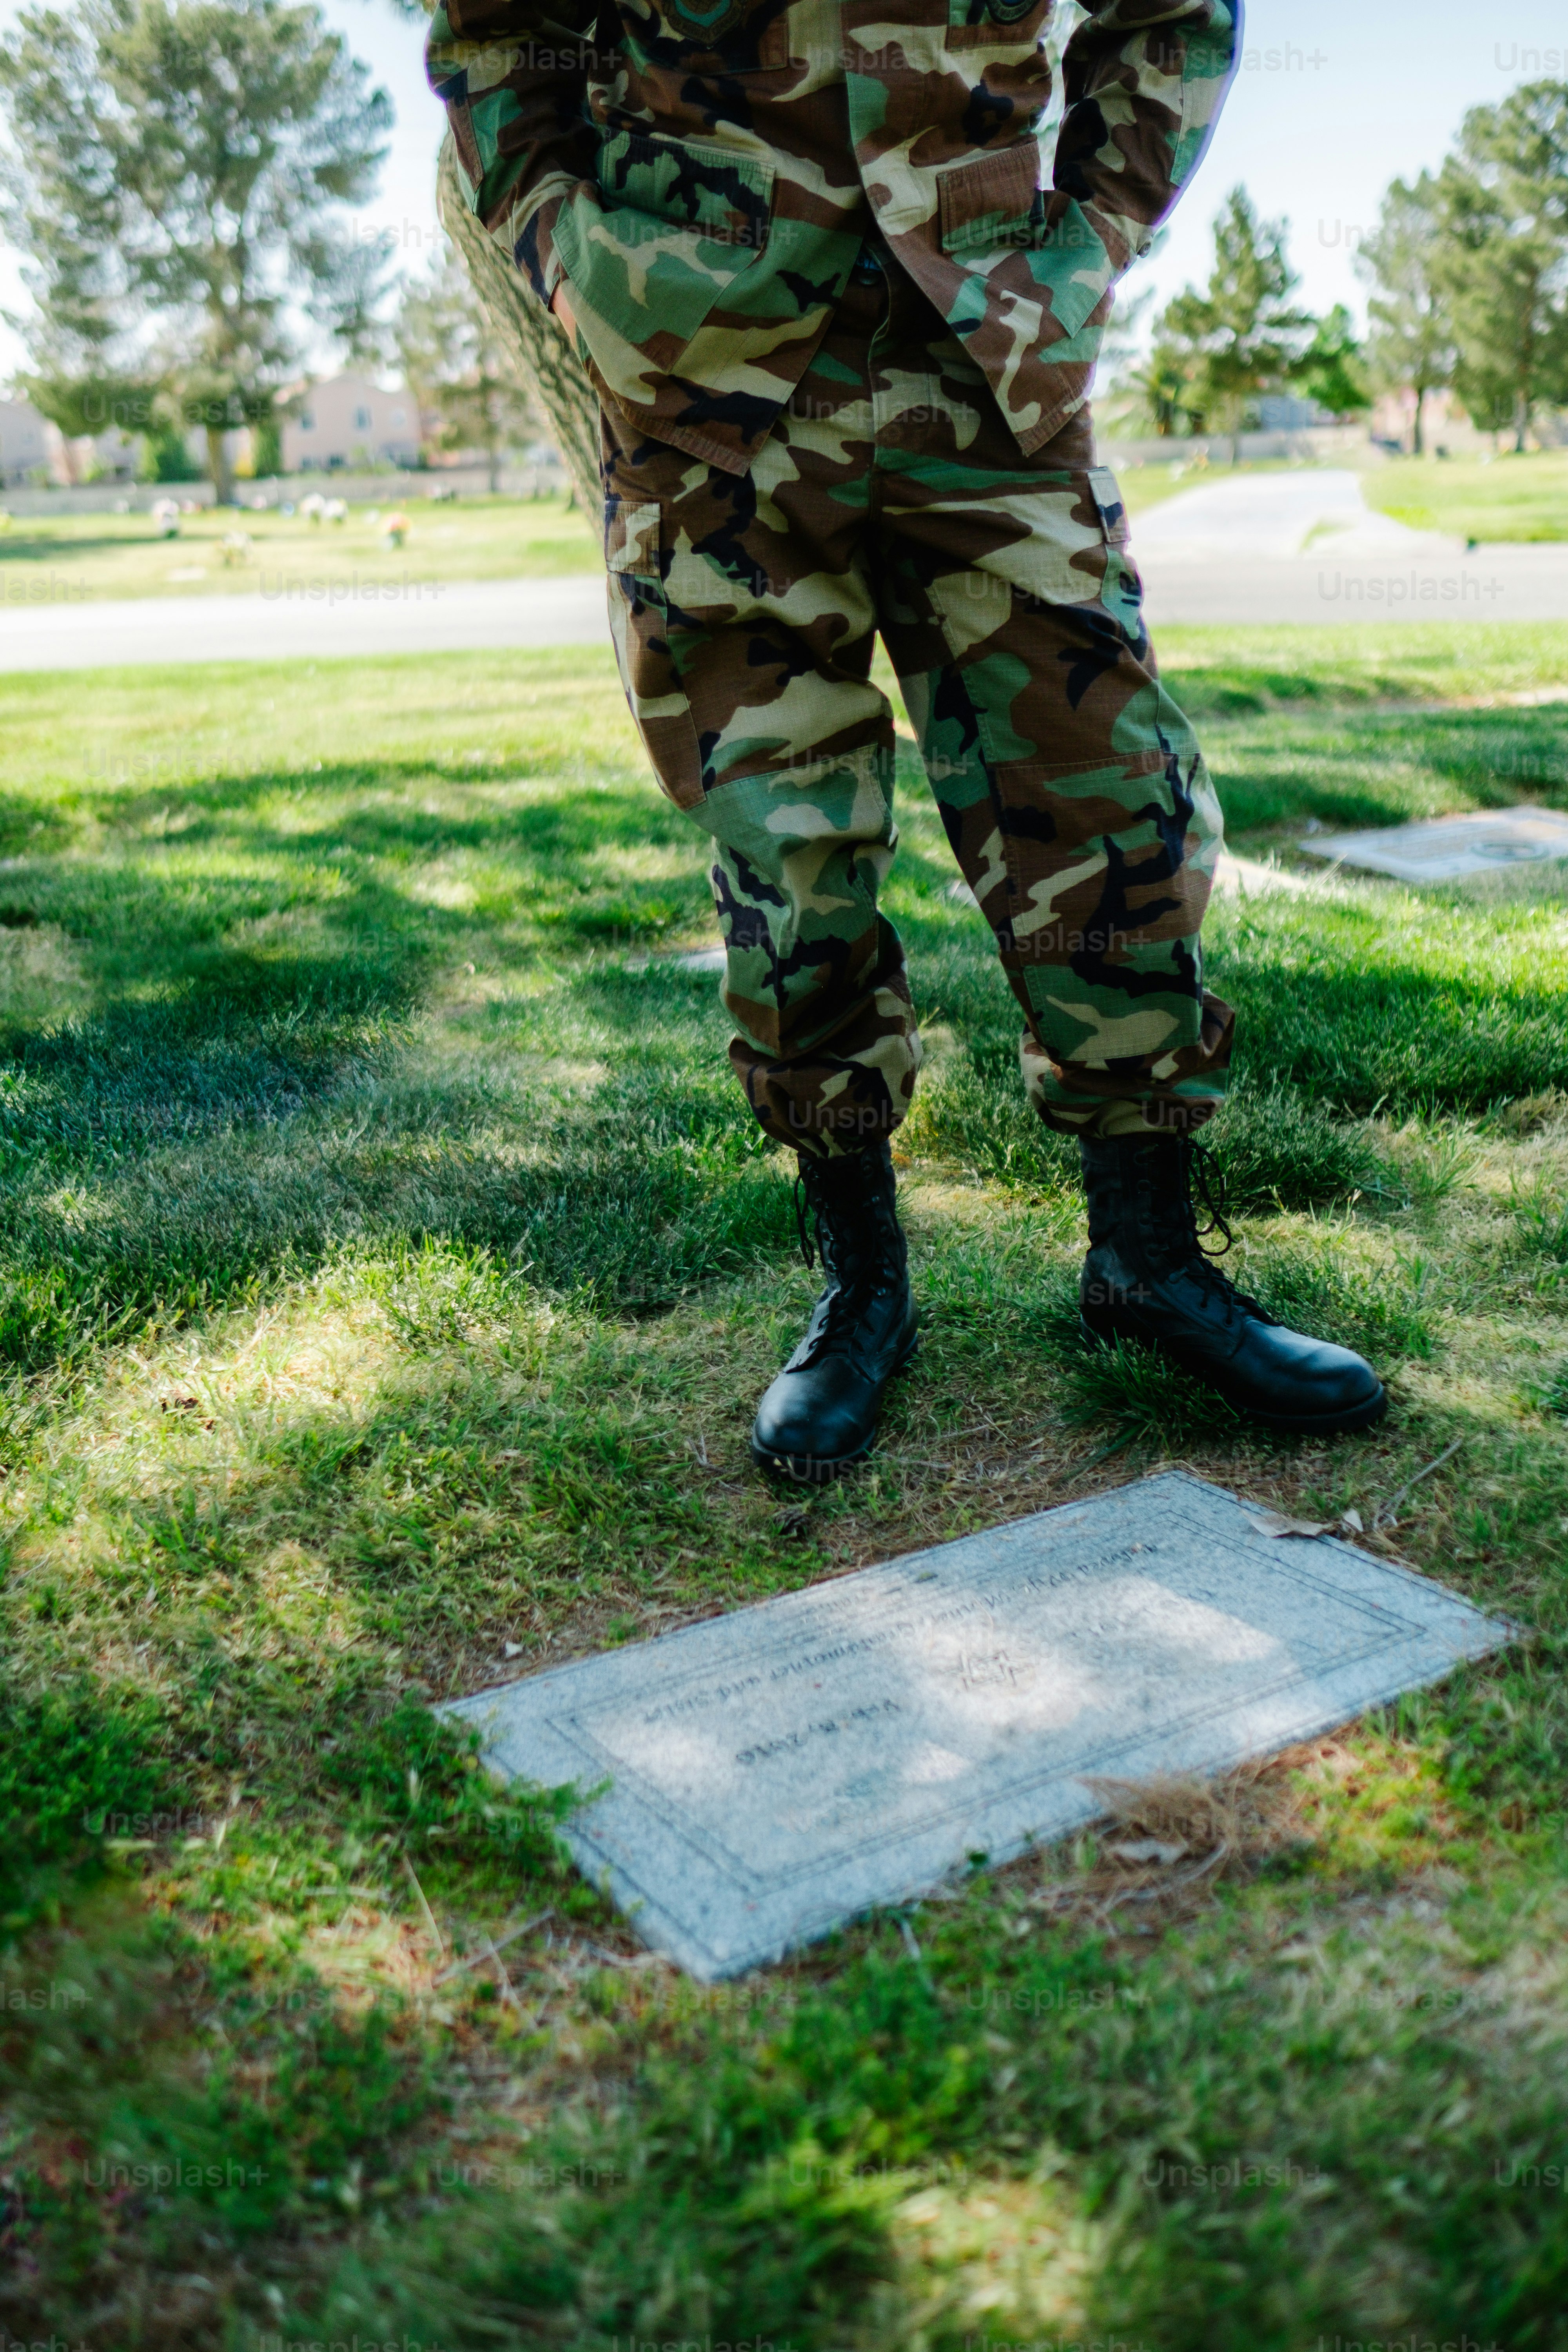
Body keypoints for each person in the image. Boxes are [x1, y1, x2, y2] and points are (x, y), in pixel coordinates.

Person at [428, 0, 1386, 1481]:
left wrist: (1096, 235)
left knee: (1112, 798)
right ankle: (861, 1285)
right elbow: (498, 29)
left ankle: (1145, 1256)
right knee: (785, 849)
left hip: (983, 352)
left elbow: (1174, 12)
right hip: (708, 377)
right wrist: (568, 251)